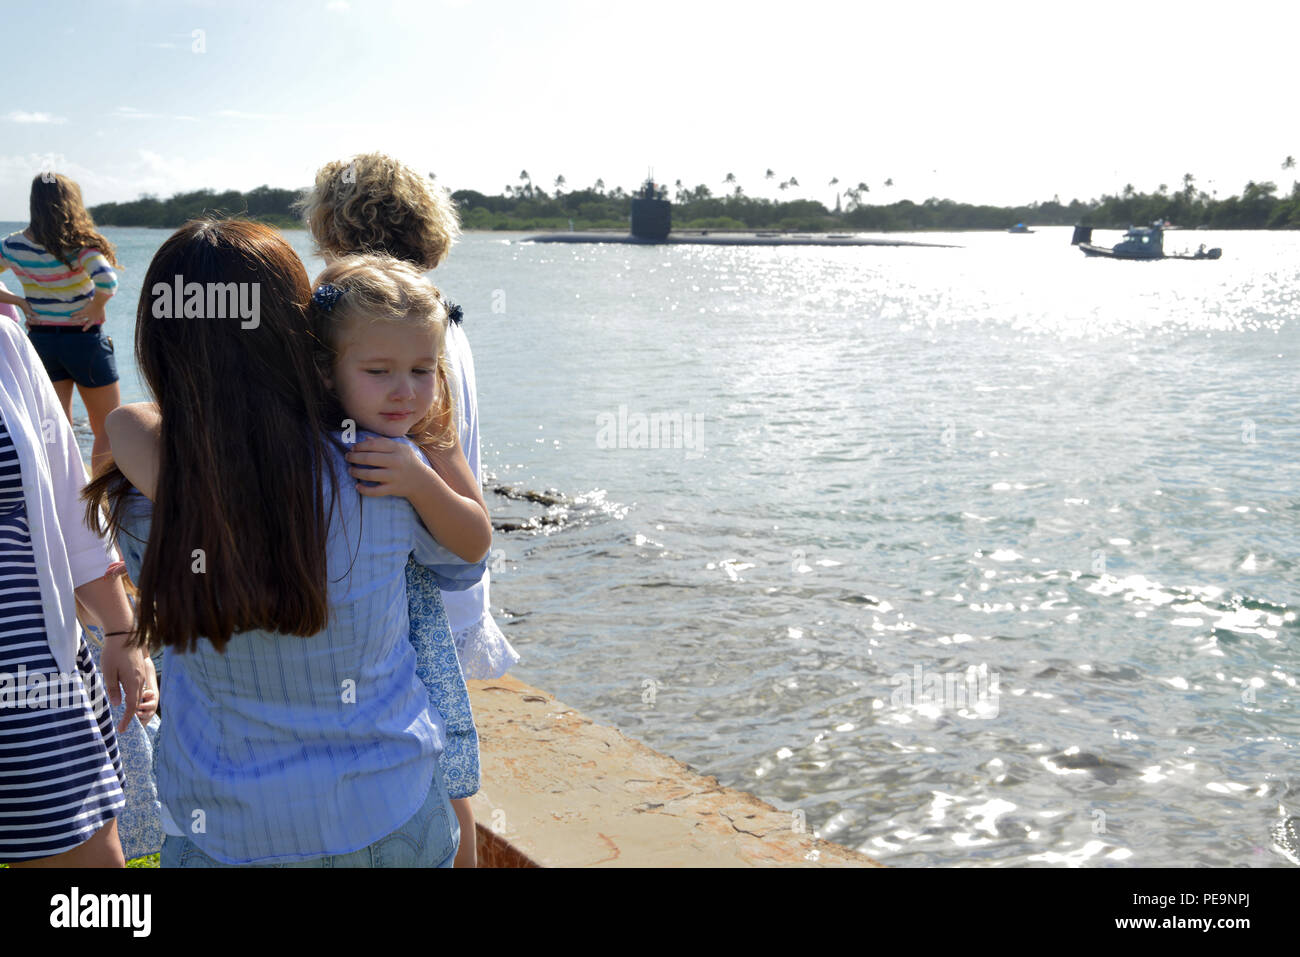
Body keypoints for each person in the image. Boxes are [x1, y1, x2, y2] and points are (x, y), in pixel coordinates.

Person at [86, 220, 488, 867]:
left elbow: (131, 422)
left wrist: (206, 494)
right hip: (385, 808)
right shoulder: (384, 473)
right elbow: (464, 561)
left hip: (226, 828)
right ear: (301, 336)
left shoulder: (143, 501)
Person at [299, 153, 520, 865]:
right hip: (427, 578)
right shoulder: (430, 320)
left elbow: (466, 511)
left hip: (419, 587)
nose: (405, 386)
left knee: (438, 774)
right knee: (438, 766)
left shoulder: (390, 330)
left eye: (416, 376)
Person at [0, 311, 154, 867]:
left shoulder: (4, 342)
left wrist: (120, 626)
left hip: (29, 668)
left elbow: (69, 494)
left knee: (88, 872)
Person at [0, 174, 122, 475]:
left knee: (54, 430)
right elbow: (108, 280)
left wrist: (20, 302)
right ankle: (99, 500)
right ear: (72, 202)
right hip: (84, 340)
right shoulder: (81, 245)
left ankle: (64, 497)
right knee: (108, 428)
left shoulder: (12, 245)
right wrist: (96, 306)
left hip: (41, 342)